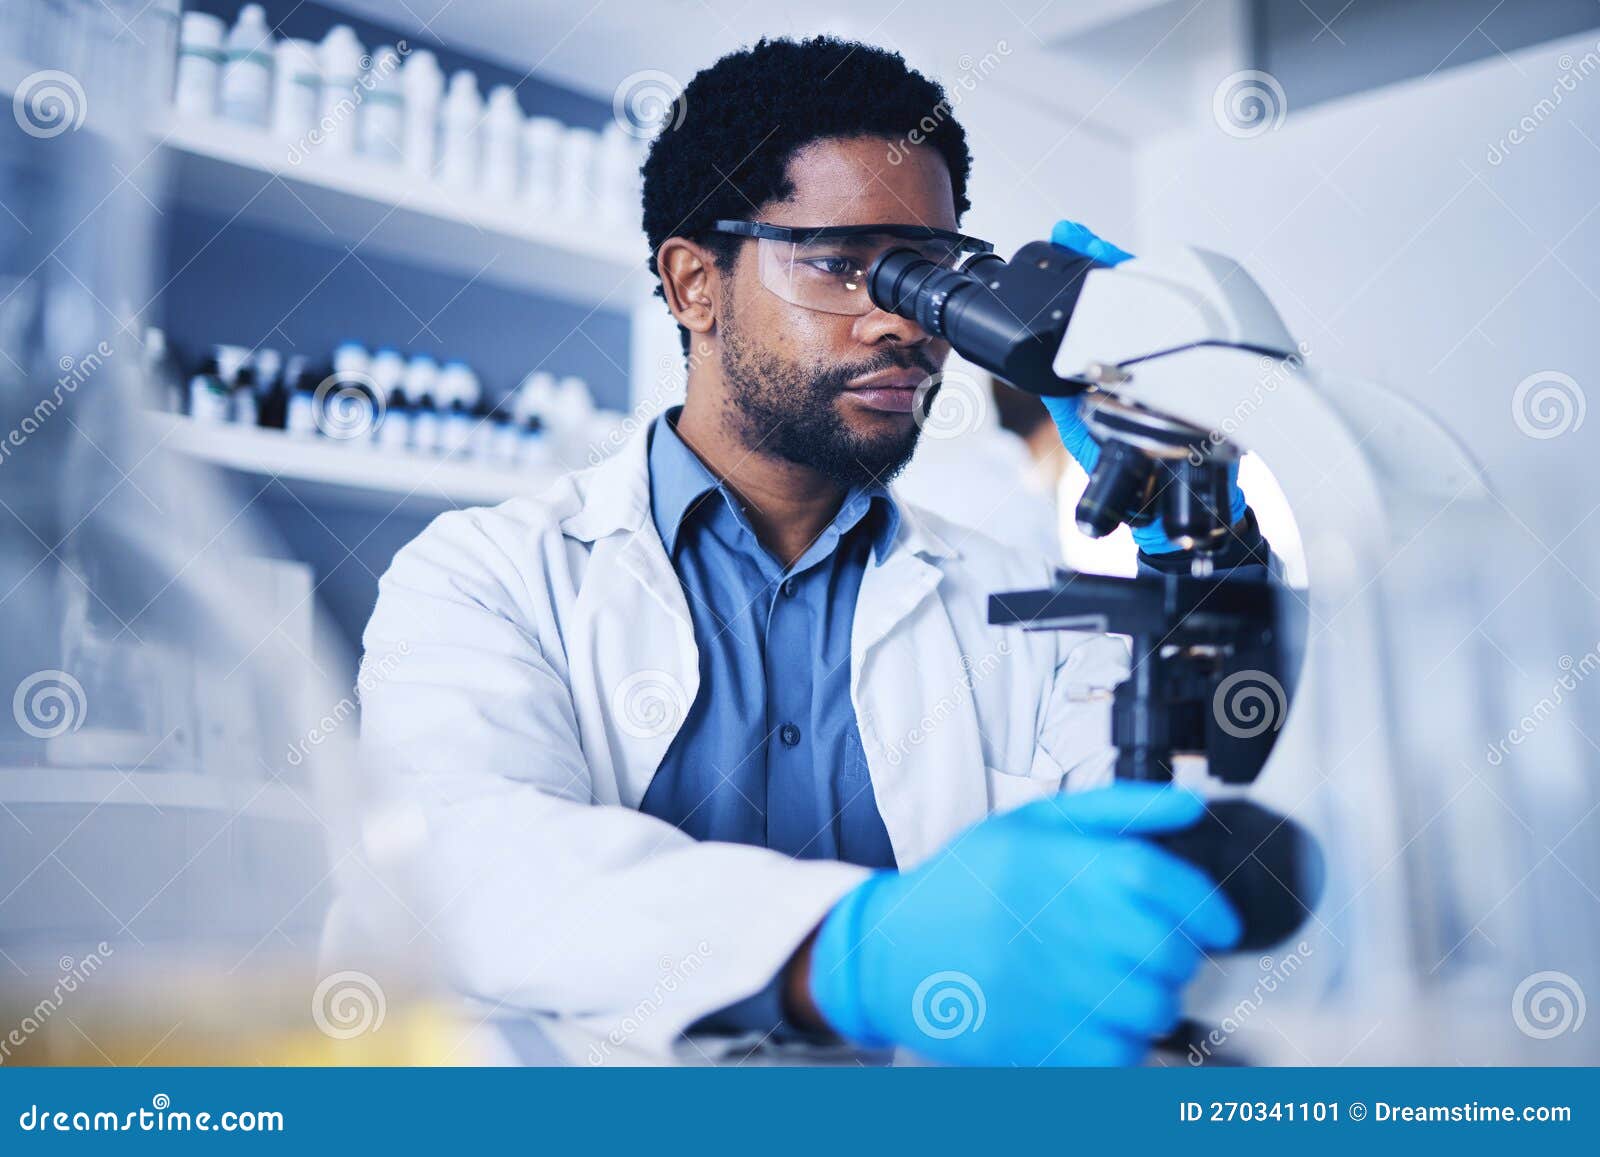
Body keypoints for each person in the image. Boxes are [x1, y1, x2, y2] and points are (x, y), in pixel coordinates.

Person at [355, 36, 1273, 1066]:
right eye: (845, 265)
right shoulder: (485, 574)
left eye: (931, 275)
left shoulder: (1022, 602)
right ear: (694, 282)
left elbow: (1183, 834)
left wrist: (1204, 541)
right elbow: (470, 865)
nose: (904, 325)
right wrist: (853, 950)